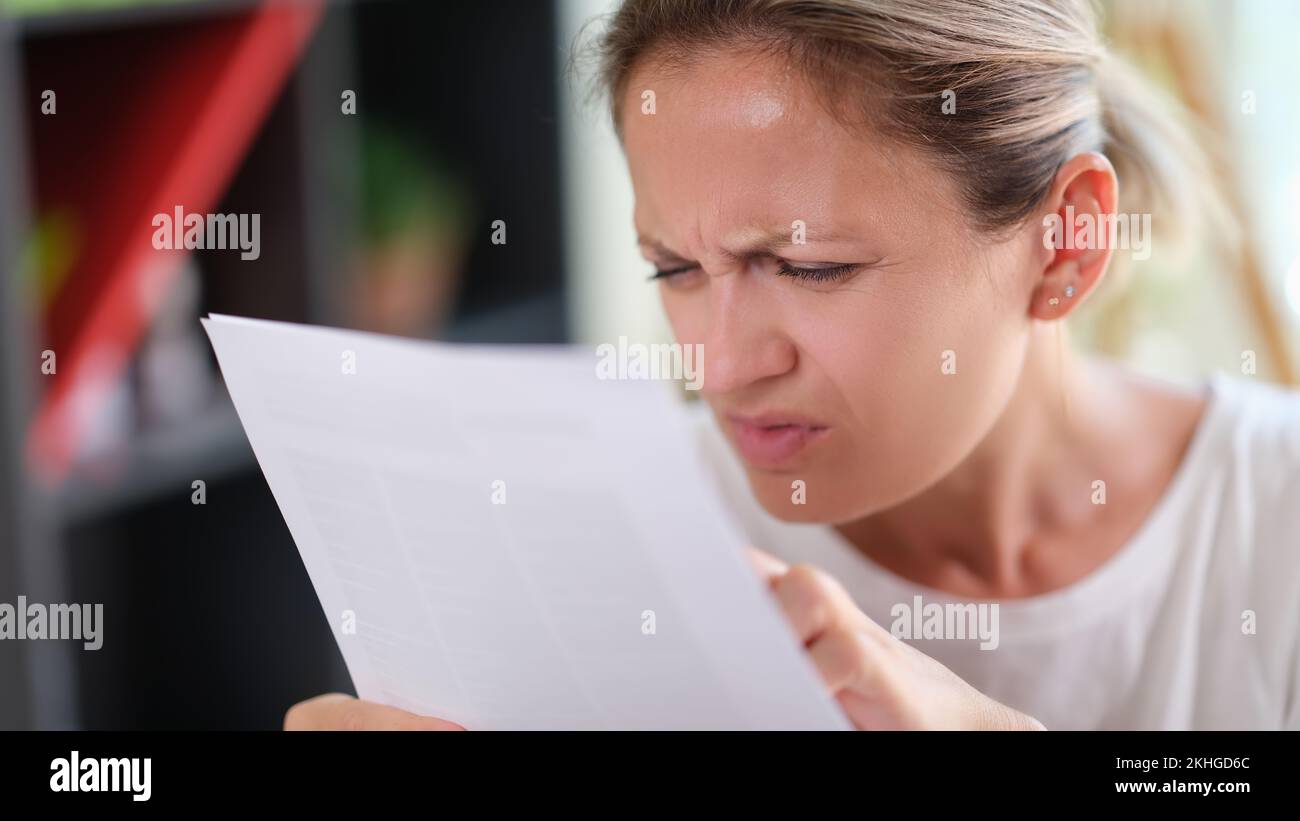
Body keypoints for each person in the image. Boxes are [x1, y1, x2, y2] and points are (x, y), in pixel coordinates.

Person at [285, 0, 1300, 730]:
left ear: (1065, 244)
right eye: (673, 266)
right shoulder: (608, 537)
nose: (719, 367)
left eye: (810, 266)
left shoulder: (1273, 519)